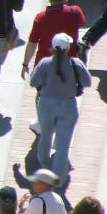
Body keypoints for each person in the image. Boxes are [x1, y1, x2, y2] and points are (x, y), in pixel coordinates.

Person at [30, 33, 91, 186]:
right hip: (68, 106)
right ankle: (59, 178)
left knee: (46, 135)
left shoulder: (44, 63)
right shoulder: (75, 63)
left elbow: (33, 82)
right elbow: (87, 82)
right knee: (63, 144)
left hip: (46, 105)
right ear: (68, 48)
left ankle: (44, 165)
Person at [21, 0, 85, 76]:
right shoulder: (75, 11)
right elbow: (81, 23)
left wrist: (25, 64)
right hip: (69, 66)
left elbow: (32, 43)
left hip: (44, 67)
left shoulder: (41, 18)